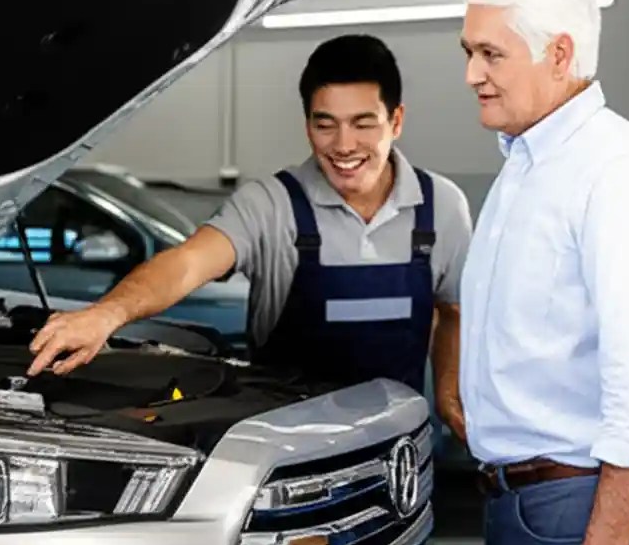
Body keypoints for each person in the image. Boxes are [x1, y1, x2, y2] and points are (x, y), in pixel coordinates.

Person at [26, 33, 475, 441]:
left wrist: (447, 395)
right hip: (290, 458)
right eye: (325, 124)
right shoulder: (271, 205)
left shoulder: (442, 206)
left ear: (396, 121)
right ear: (307, 125)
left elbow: (451, 309)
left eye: (363, 123)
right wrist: (108, 313)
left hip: (400, 453)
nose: (343, 144)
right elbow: (188, 262)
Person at [454, 0, 629, 545]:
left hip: (581, 509)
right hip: (525, 503)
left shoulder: (615, 170)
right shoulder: (527, 165)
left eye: (490, 54)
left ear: (558, 53)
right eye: (469, 52)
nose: (471, 75)